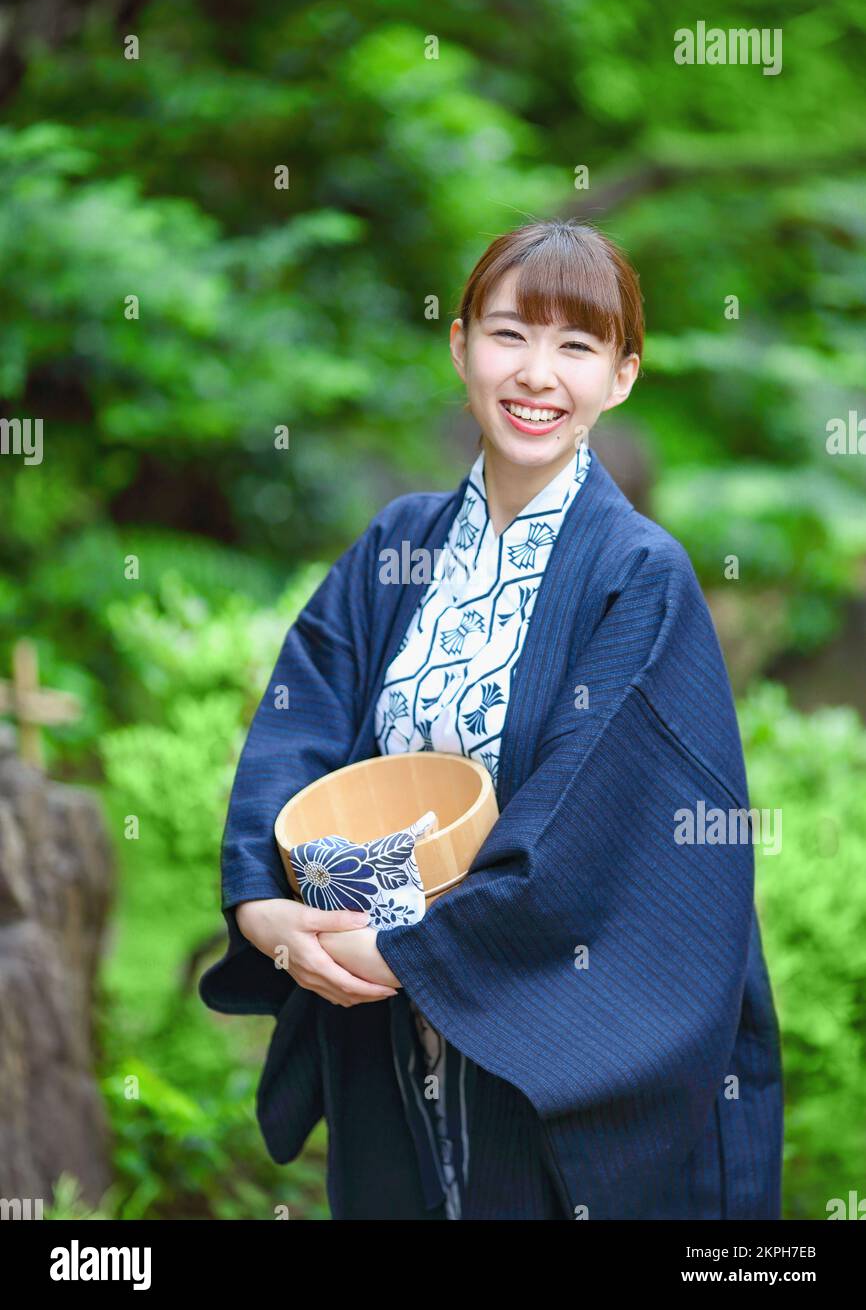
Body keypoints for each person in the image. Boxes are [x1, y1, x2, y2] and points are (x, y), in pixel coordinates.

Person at [199, 218, 784, 1220]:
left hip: (540, 1022)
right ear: (459, 343)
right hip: (377, 1013)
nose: (537, 373)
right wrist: (266, 907)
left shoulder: (635, 575)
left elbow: (585, 826)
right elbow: (298, 719)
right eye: (510, 334)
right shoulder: (400, 542)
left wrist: (414, 953)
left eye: (577, 346)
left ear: (622, 377)